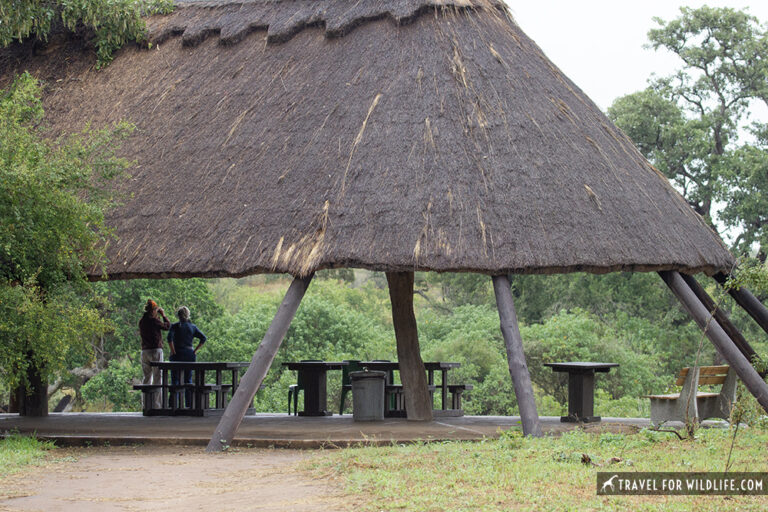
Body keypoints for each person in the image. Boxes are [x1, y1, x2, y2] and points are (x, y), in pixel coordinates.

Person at [168, 306, 207, 408]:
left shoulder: (175, 326)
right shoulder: (192, 327)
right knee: (188, 380)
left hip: (177, 354)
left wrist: (173, 351)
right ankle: (189, 405)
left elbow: (169, 338)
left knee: (175, 380)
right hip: (189, 354)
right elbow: (203, 338)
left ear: (178, 315)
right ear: (188, 315)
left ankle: (173, 405)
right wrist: (195, 350)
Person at [138, 299, 170, 409]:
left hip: (145, 351)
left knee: (147, 377)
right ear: (153, 310)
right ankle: (157, 405)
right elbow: (167, 326)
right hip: (155, 351)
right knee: (158, 377)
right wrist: (163, 315)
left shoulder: (142, 321)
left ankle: (145, 404)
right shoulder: (154, 321)